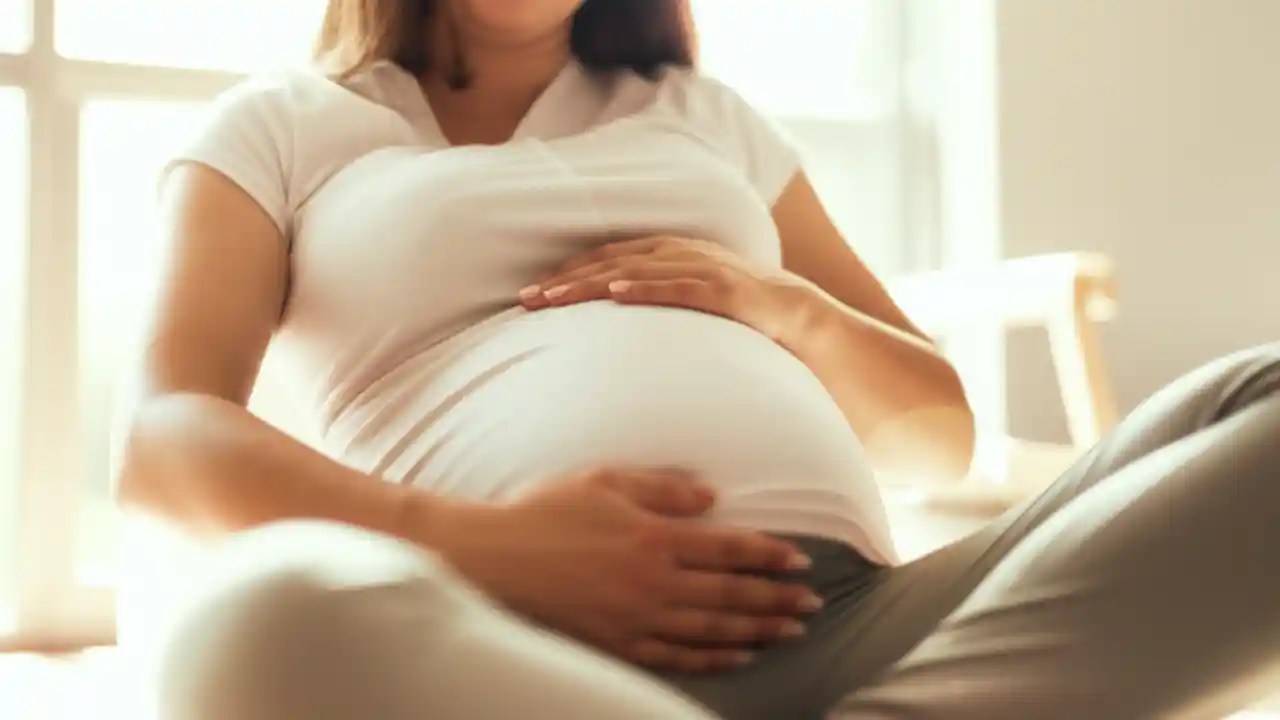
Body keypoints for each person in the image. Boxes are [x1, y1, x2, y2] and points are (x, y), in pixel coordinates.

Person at [114, 0, 1280, 718]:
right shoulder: (279, 125)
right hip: (526, 652)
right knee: (253, 634)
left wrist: (782, 306)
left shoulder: (706, 118)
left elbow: (936, 435)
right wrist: (493, 550)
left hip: (868, 619)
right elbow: (165, 439)